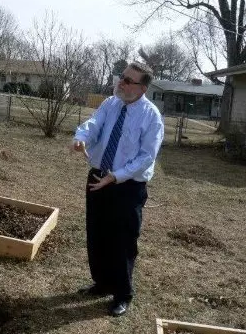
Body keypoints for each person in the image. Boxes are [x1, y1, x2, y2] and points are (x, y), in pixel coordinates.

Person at [70, 62, 164, 317]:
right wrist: (80, 137)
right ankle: (101, 283)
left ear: (142, 88)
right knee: (97, 234)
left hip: (127, 185)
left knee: (122, 241)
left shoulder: (151, 116)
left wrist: (116, 176)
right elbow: (94, 124)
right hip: (98, 177)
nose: (121, 83)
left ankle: (122, 294)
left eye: (128, 80)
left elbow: (147, 157)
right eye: (122, 77)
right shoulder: (111, 104)